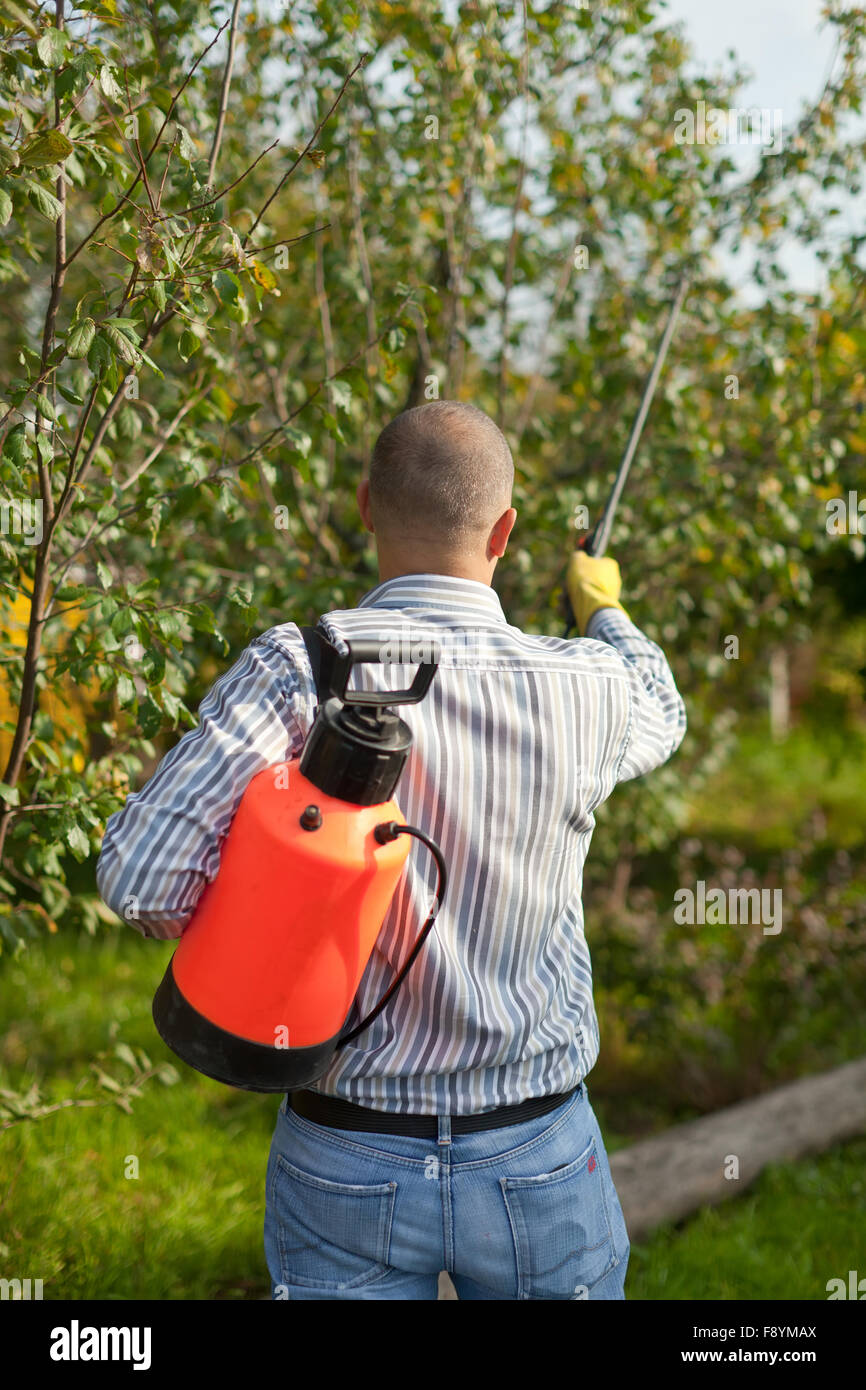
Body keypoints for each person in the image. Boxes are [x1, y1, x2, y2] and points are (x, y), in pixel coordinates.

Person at [96, 399, 686, 1301]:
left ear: (366, 505)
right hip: (540, 1157)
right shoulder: (590, 687)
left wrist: (281, 889)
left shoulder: (299, 668)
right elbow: (663, 704)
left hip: (344, 1151)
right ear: (506, 531)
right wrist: (604, 608)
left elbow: (139, 881)